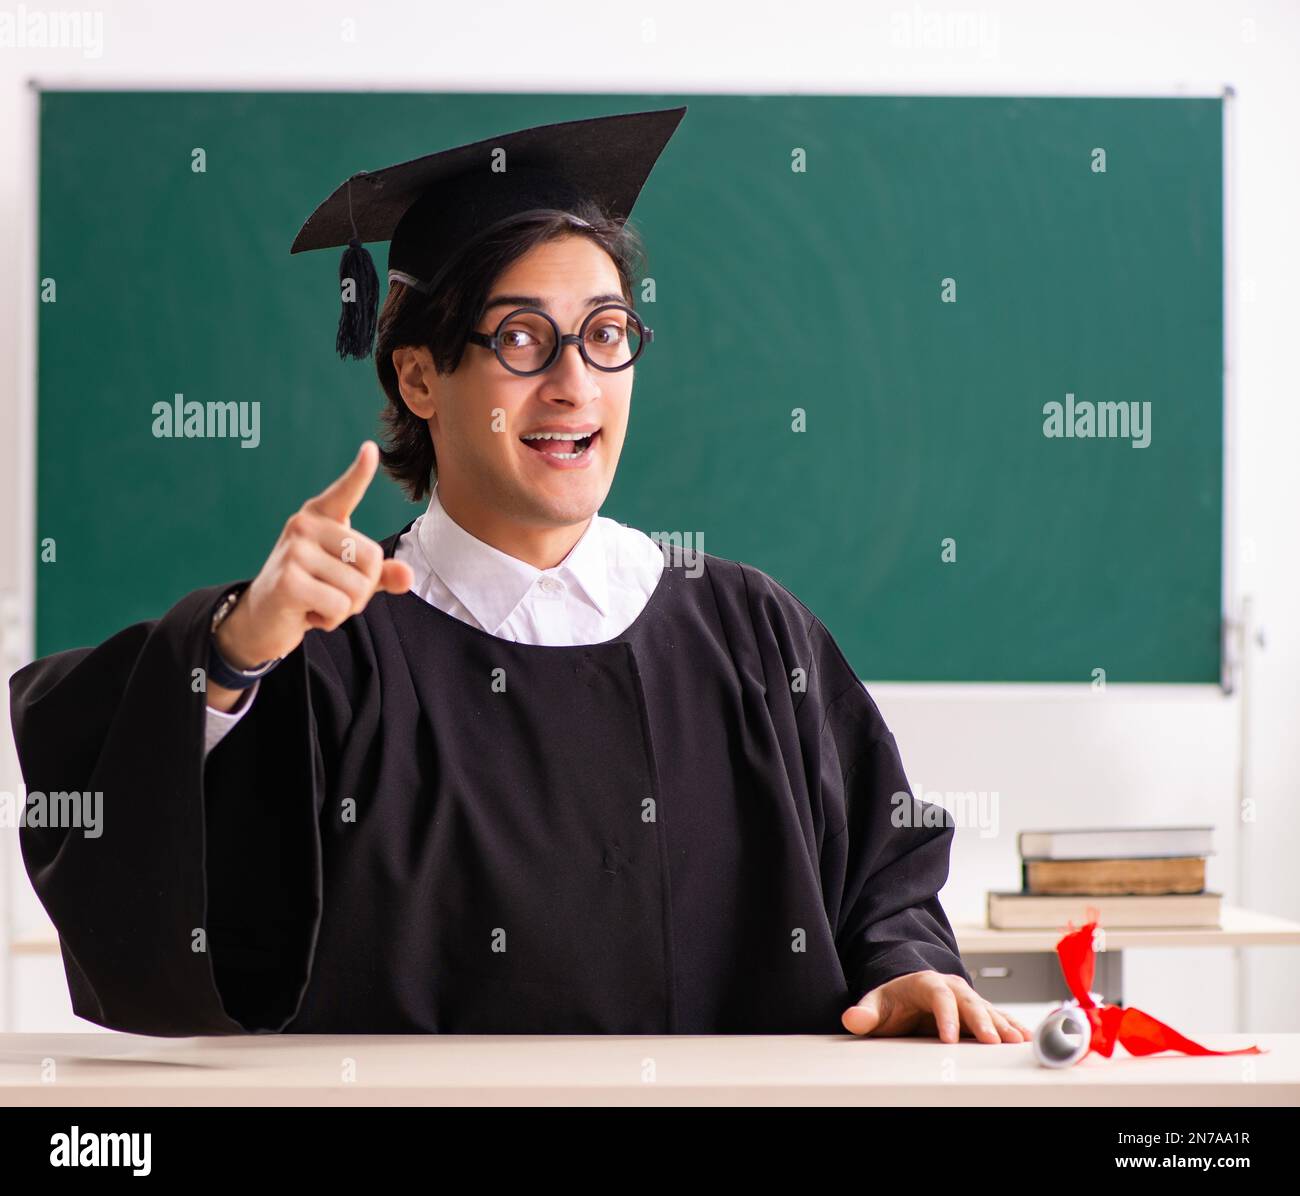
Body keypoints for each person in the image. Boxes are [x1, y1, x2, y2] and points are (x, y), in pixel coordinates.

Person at [11, 107, 1030, 1042]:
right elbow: (152, 885)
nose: (574, 381)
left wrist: (907, 968)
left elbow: (883, 882)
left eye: (605, 332)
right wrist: (229, 655)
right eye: (521, 337)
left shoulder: (752, 633)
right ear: (418, 374)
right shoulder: (322, 645)